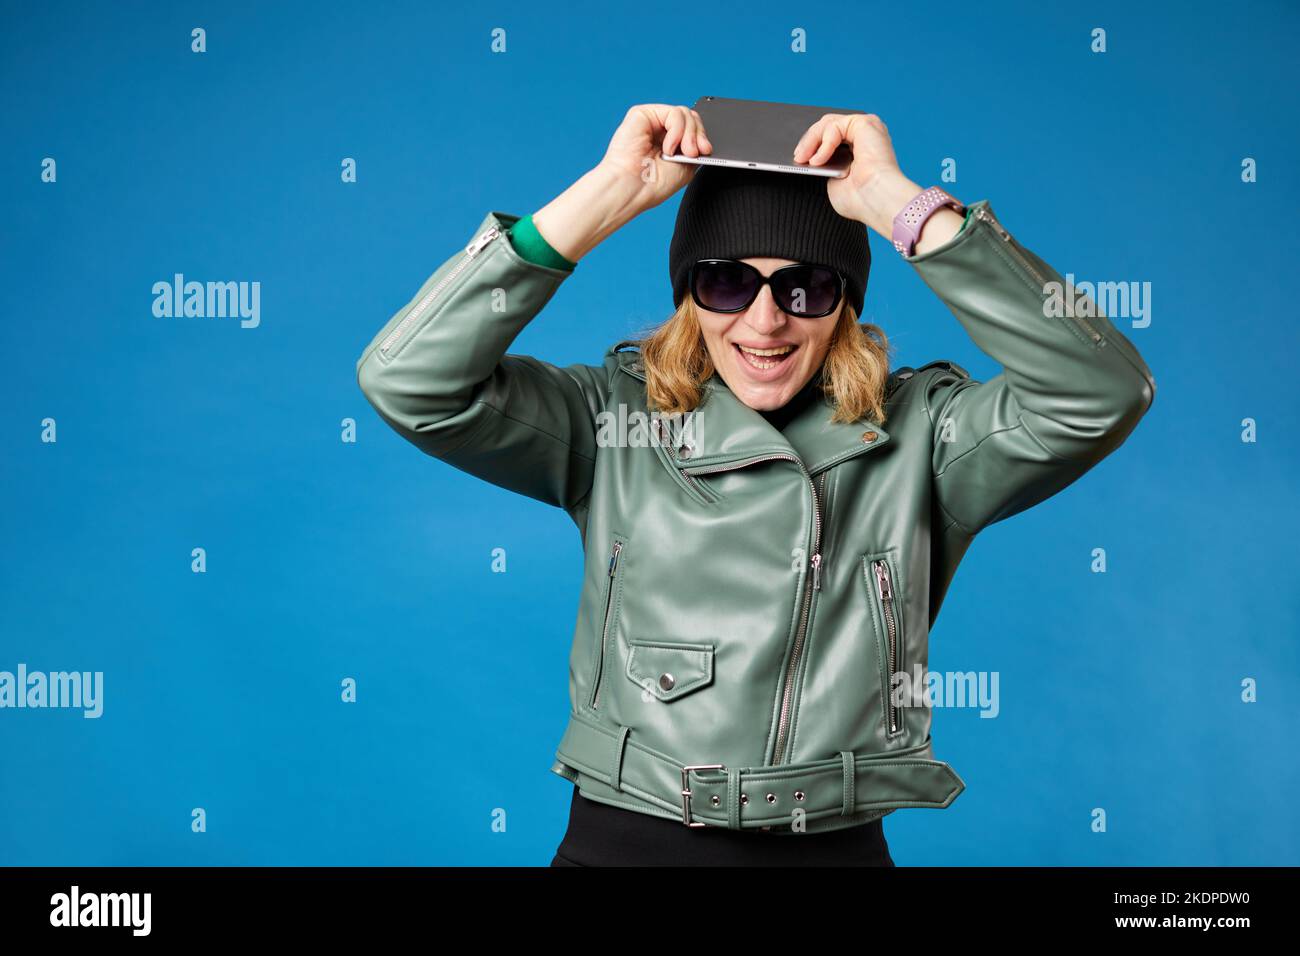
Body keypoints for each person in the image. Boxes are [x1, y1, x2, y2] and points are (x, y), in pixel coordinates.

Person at [355, 104, 1155, 867]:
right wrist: (607, 194)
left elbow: (1100, 392)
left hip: (834, 853)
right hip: (623, 849)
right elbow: (409, 382)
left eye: (804, 287)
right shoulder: (611, 423)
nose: (765, 321)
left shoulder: (925, 438)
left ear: (843, 306)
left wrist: (899, 206)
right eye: (727, 283)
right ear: (688, 298)